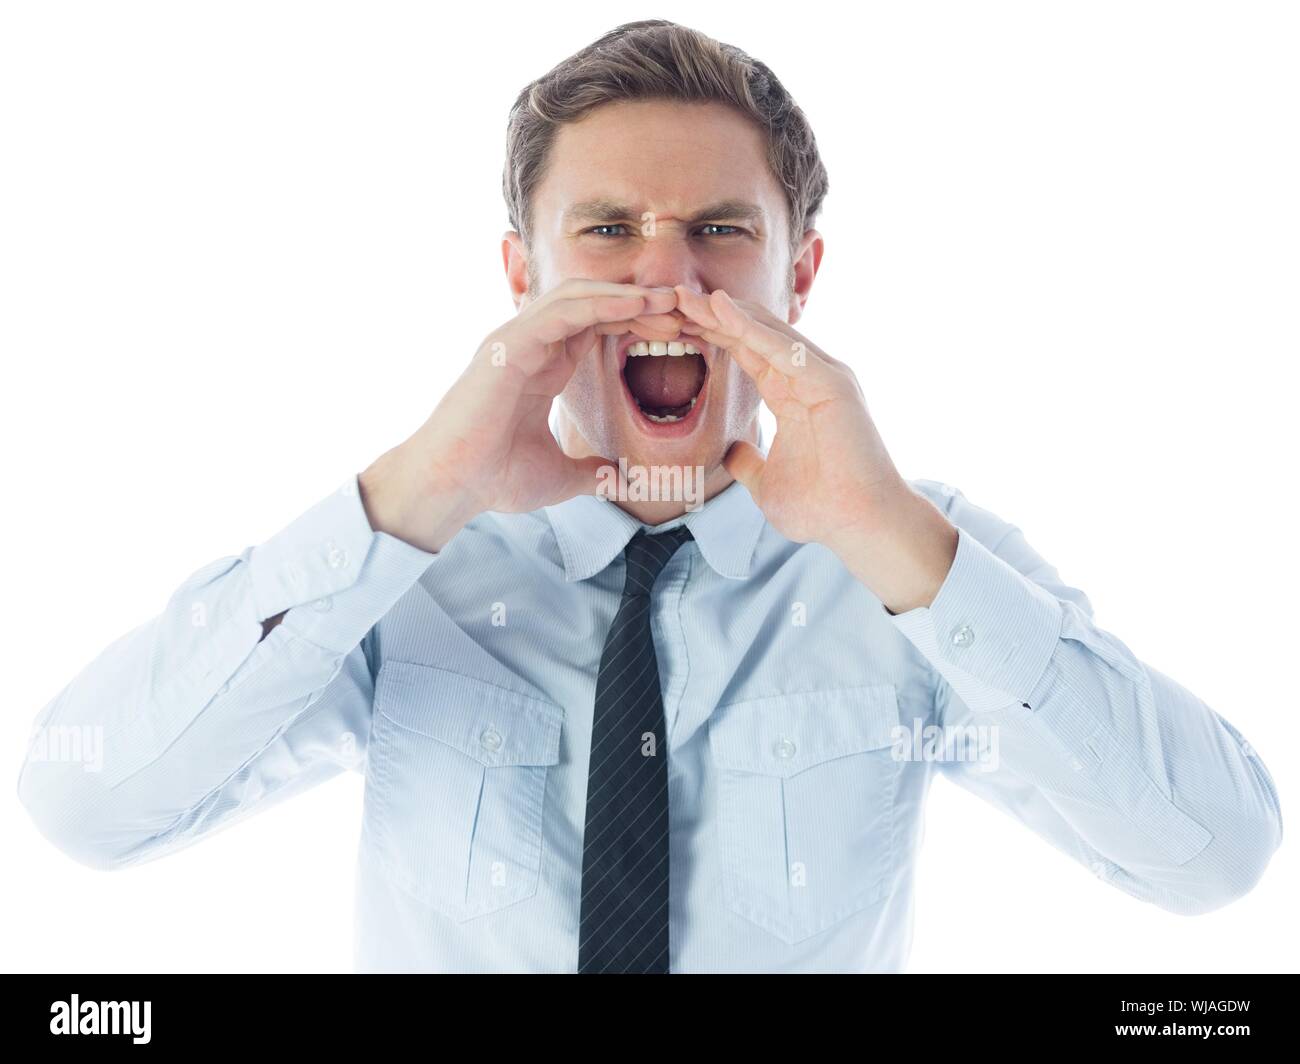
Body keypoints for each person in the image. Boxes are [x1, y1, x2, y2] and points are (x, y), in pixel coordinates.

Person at [17, 19, 1282, 974]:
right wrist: (415, 496)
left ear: (802, 274)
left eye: (722, 232)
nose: (666, 276)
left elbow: (1212, 858)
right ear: (523, 272)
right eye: (608, 230)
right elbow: (90, 808)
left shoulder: (908, 555)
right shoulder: (404, 559)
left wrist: (892, 539)